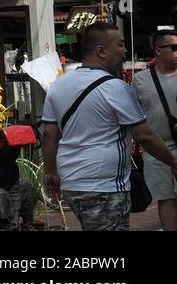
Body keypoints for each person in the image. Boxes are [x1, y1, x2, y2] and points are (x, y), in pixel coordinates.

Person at [40, 22, 177, 231]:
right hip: (104, 186)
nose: (125, 51)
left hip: (71, 183)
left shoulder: (59, 85)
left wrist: (50, 171)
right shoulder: (116, 87)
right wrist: (172, 162)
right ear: (101, 51)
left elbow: (49, 133)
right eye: (120, 45)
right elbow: (145, 136)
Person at [132, 28, 177, 231]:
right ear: (158, 50)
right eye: (174, 48)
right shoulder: (141, 80)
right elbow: (133, 115)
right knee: (165, 197)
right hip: (156, 150)